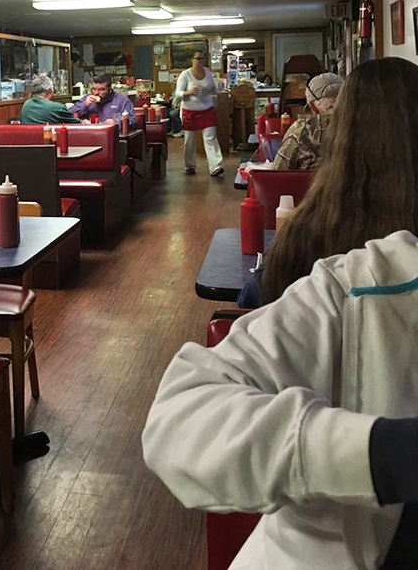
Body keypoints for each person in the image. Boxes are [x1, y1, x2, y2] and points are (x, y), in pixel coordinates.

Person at [143, 58, 418, 569]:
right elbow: (182, 418)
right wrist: (388, 454)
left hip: (287, 494)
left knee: (203, 148)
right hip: (304, 490)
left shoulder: (311, 231)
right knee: (198, 148)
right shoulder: (349, 283)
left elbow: (251, 301)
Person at [273, 72, 344, 171]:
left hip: (311, 186)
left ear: (312, 106)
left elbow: (277, 172)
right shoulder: (365, 123)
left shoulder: (303, 127)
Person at [175, 50, 223, 175]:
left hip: (207, 110)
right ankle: (189, 165)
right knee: (189, 141)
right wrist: (189, 92)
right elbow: (178, 93)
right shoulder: (185, 75)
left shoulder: (207, 72)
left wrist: (214, 88)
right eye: (198, 58)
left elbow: (213, 90)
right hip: (190, 112)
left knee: (210, 138)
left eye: (202, 58)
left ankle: (215, 167)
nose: (200, 61)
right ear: (192, 60)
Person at [70, 75, 136, 127]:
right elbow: (68, 115)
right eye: (93, 89)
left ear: (110, 90)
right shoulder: (87, 99)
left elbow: (132, 121)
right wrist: (84, 105)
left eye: (101, 89)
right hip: (89, 135)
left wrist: (117, 122)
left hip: (114, 137)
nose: (96, 93)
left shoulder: (122, 101)